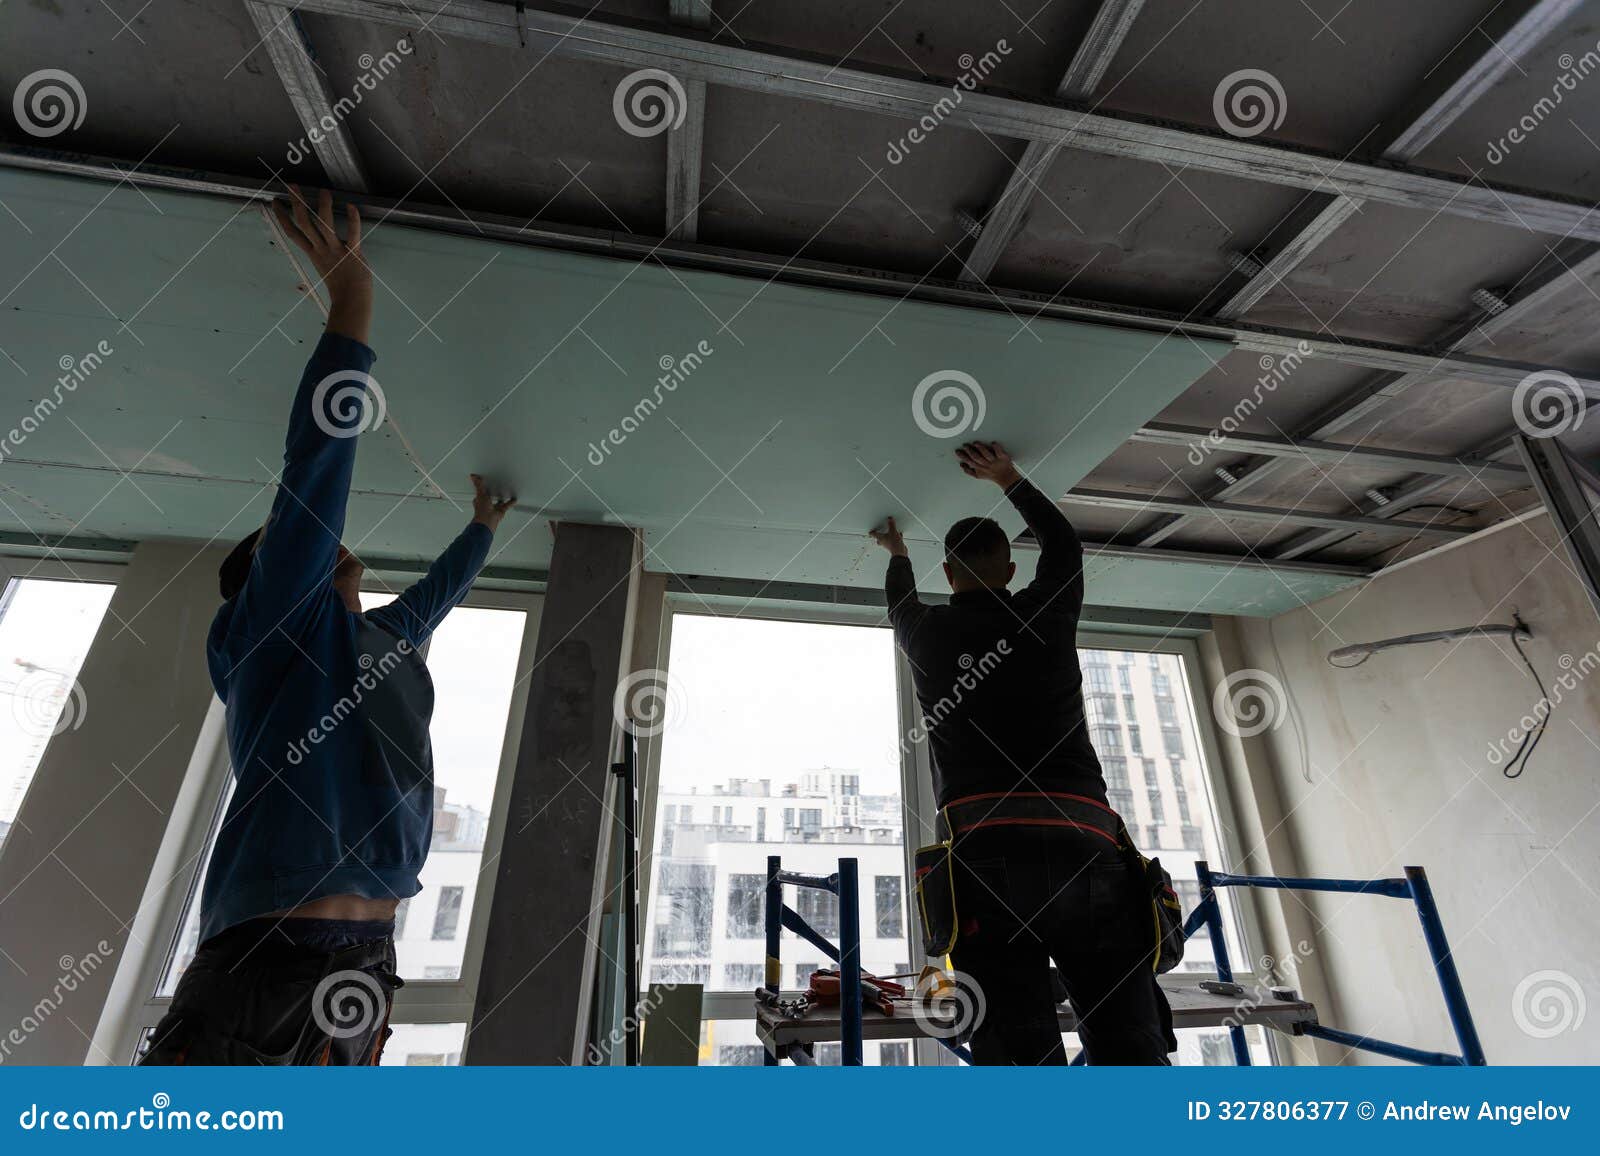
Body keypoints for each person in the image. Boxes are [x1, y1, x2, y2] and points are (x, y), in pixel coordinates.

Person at [141, 189, 515, 1066]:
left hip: (325, 966)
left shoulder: (379, 644)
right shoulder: (267, 634)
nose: (323, 543)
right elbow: (314, 474)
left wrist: (485, 527)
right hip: (303, 969)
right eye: (290, 550)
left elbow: (438, 595)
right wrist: (351, 305)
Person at [870, 441, 1172, 1065]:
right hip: (1085, 847)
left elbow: (899, 602)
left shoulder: (926, 634)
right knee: (1129, 1048)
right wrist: (1007, 477)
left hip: (988, 860)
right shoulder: (1047, 614)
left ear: (948, 577)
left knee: (1018, 1054)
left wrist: (898, 553)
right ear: (1011, 572)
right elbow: (1064, 547)